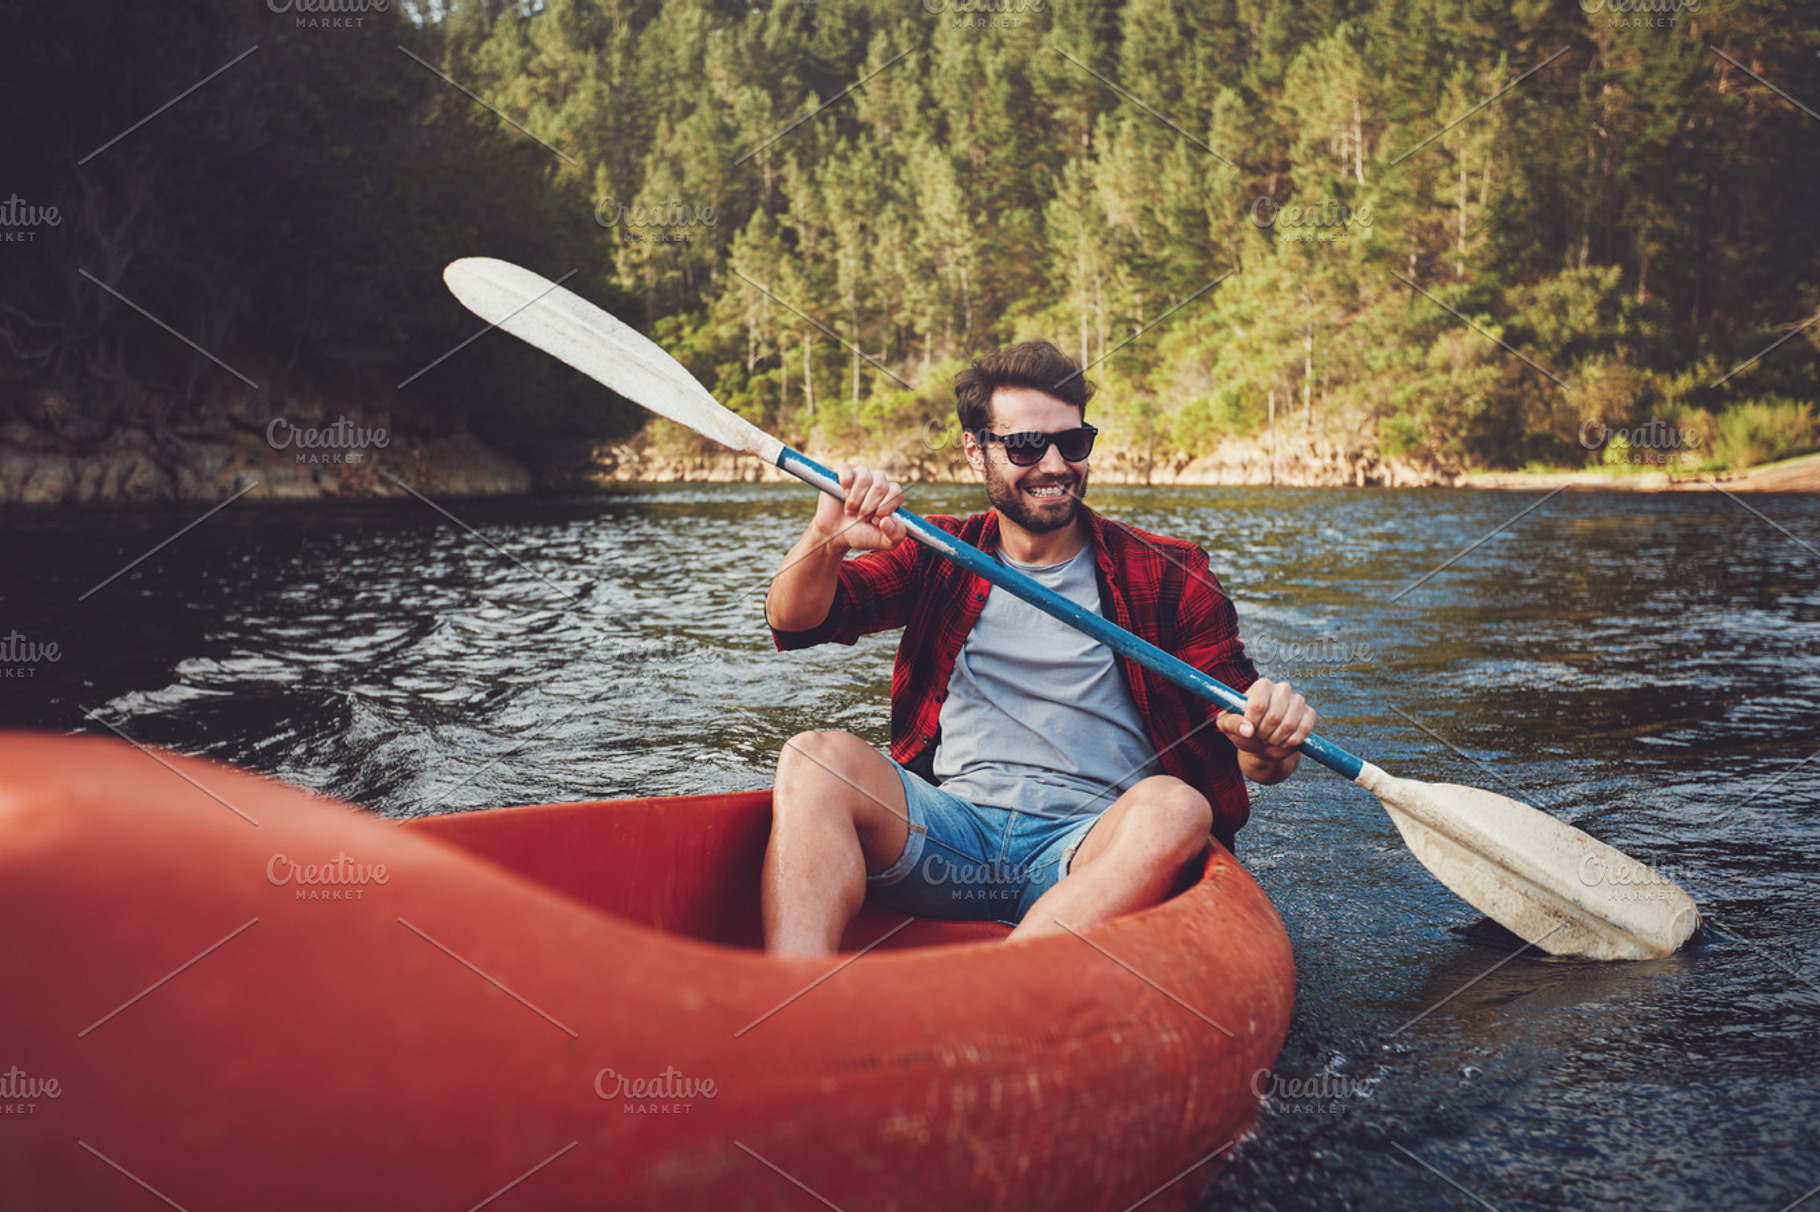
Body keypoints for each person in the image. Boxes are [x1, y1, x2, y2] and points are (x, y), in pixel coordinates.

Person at [761, 340, 1316, 957]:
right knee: (813, 758)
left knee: (1178, 807)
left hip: (1090, 852)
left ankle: (1005, 985)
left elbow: (1258, 759)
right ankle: (793, 996)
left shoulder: (1171, 570)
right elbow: (797, 621)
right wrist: (825, 539)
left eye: (1073, 443)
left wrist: (1269, 742)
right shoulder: (938, 552)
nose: (1055, 465)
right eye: (1026, 445)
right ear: (977, 452)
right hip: (952, 837)